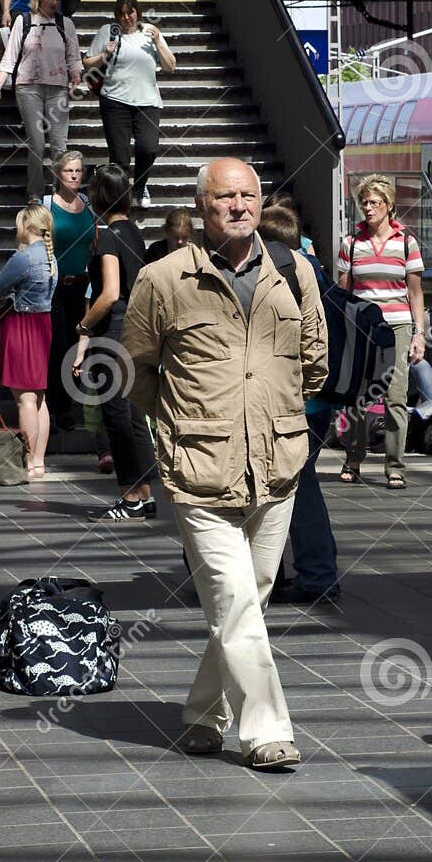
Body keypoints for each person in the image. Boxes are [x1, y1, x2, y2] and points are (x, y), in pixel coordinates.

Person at [122, 157, 327, 769]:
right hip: (199, 470)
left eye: (248, 196)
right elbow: (138, 372)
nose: (238, 206)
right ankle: (264, 730)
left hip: (276, 464)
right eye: (223, 198)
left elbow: (312, 360)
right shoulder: (161, 280)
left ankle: (202, 710)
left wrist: (275, 408)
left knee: (250, 599)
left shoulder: (295, 271)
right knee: (234, 600)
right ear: (201, 207)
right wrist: (187, 423)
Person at [258, 200, 341, 606]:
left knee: (298, 484)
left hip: (295, 401)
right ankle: (309, 570)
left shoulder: (281, 274)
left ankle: (315, 573)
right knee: (301, 480)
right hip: (319, 402)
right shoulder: (317, 270)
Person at [73, 164, 156, 520]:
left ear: (99, 195)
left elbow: (108, 293)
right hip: (136, 330)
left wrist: (84, 325)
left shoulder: (107, 235)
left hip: (113, 331)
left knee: (116, 414)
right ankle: (146, 494)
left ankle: (130, 495)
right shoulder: (133, 233)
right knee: (135, 416)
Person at [337, 174, 426, 489]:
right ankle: (354, 457)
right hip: (362, 327)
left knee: (395, 396)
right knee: (358, 395)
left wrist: (419, 334)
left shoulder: (406, 243)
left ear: (389, 206)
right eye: (364, 202)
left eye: (374, 202)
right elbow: (343, 292)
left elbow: (415, 293)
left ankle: (394, 466)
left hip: (398, 325)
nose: (368, 208)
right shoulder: (351, 244)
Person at [0, 0, 81, 200]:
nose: (54, 3)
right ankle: (36, 192)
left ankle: (61, 191)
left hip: (58, 87)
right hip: (28, 87)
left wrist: (76, 75)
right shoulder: (24, 21)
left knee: (59, 144)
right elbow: (10, 59)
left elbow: (73, 57)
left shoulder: (65, 23)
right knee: (37, 142)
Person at [83, 0, 175, 208]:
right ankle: (120, 200)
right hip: (114, 101)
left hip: (147, 101)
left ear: (137, 12)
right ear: (116, 16)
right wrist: (104, 54)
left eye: (130, 12)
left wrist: (158, 41)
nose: (126, 18)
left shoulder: (151, 33)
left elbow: (171, 66)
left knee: (148, 148)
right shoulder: (108, 31)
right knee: (120, 158)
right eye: (121, 14)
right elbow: (88, 62)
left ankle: (141, 186)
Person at [0, 205, 58, 480]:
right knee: (39, 397)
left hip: (22, 326)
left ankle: (29, 460)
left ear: (27, 226)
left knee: (25, 400)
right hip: (42, 325)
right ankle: (38, 460)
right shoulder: (52, 257)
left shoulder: (24, 258)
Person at [43, 150, 94, 419]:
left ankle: (74, 404)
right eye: (69, 171)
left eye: (78, 170)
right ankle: (57, 409)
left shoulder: (87, 203)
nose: (75, 175)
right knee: (58, 346)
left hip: (82, 287)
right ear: (57, 174)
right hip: (55, 288)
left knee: (79, 345)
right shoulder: (46, 204)